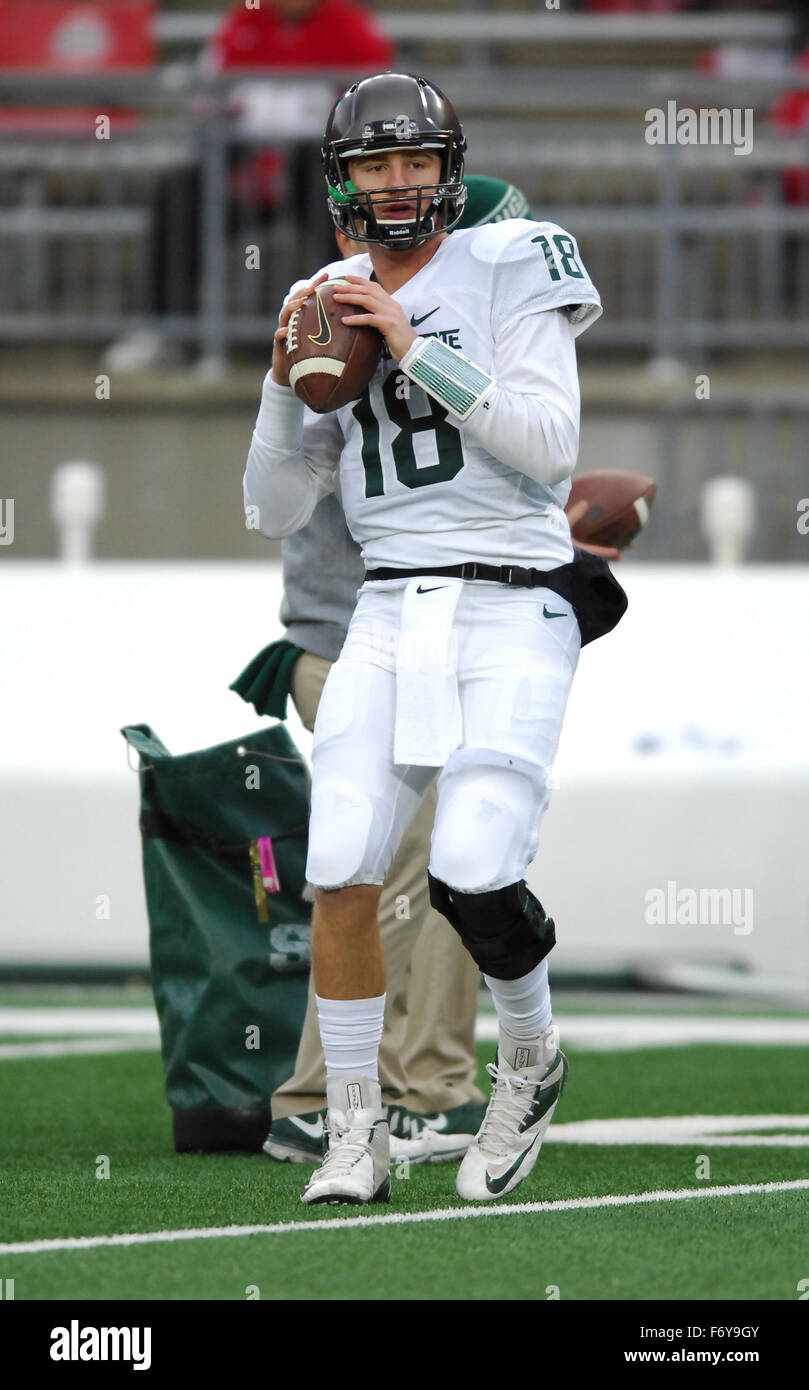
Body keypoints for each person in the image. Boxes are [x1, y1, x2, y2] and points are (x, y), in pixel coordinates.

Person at [243, 72, 625, 1206]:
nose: (398, 182)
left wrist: (414, 345)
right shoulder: (325, 291)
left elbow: (550, 445)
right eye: (376, 163)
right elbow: (273, 505)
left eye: (416, 160)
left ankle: (529, 1058)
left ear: (450, 167)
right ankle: (352, 1127)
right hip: (387, 603)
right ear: (342, 179)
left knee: (471, 865)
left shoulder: (514, 257)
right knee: (338, 863)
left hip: (512, 597)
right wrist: (279, 393)